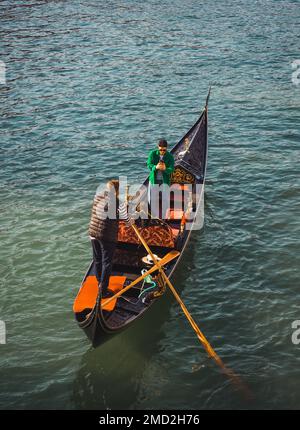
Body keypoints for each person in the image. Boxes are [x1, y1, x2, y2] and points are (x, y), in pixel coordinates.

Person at [88, 179, 120, 298]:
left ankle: (99, 283)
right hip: (106, 236)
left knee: (97, 259)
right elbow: (126, 219)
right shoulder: (116, 201)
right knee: (107, 262)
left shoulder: (98, 196)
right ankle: (103, 291)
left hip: (92, 232)